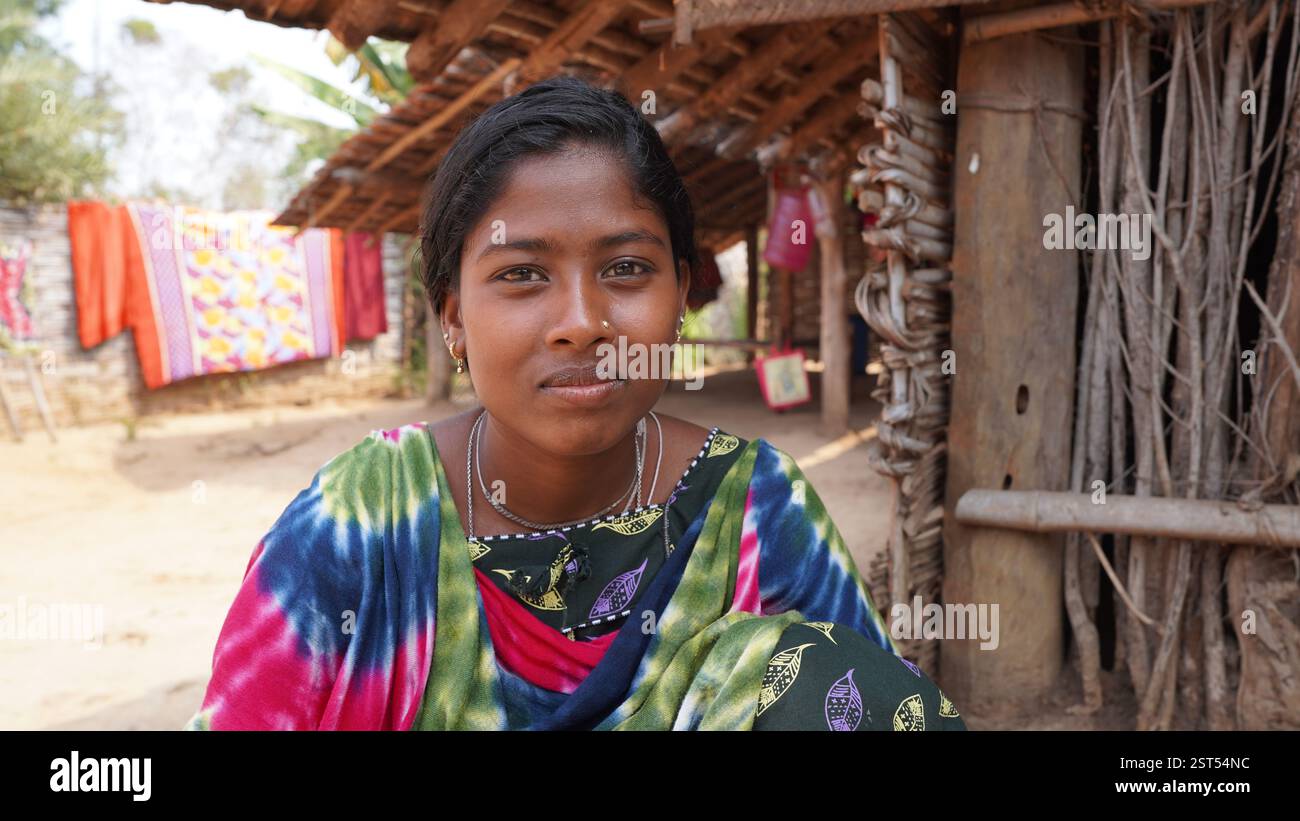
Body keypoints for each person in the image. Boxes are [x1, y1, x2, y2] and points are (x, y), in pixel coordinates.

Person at [185, 75, 964, 732]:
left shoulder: (755, 507)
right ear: (452, 313)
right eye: (522, 274)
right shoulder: (360, 523)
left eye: (626, 268)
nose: (581, 323)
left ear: (682, 296)